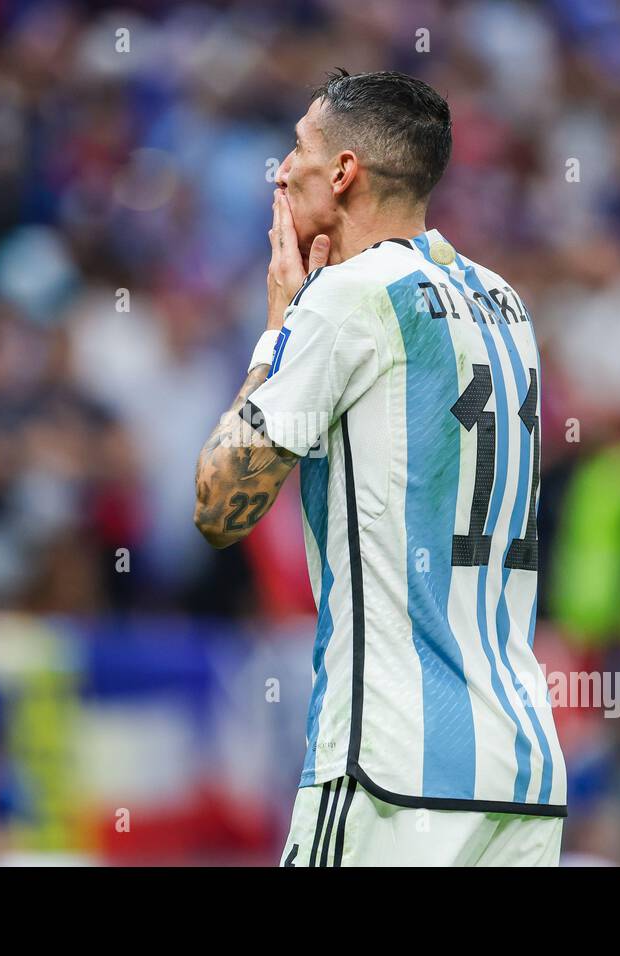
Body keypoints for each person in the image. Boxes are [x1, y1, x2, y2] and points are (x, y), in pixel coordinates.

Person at [194, 69, 565, 865]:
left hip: (390, 771)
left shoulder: (348, 298)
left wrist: (276, 329)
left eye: (297, 145)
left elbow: (219, 506)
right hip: (521, 775)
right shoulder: (507, 303)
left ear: (344, 172)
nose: (280, 169)